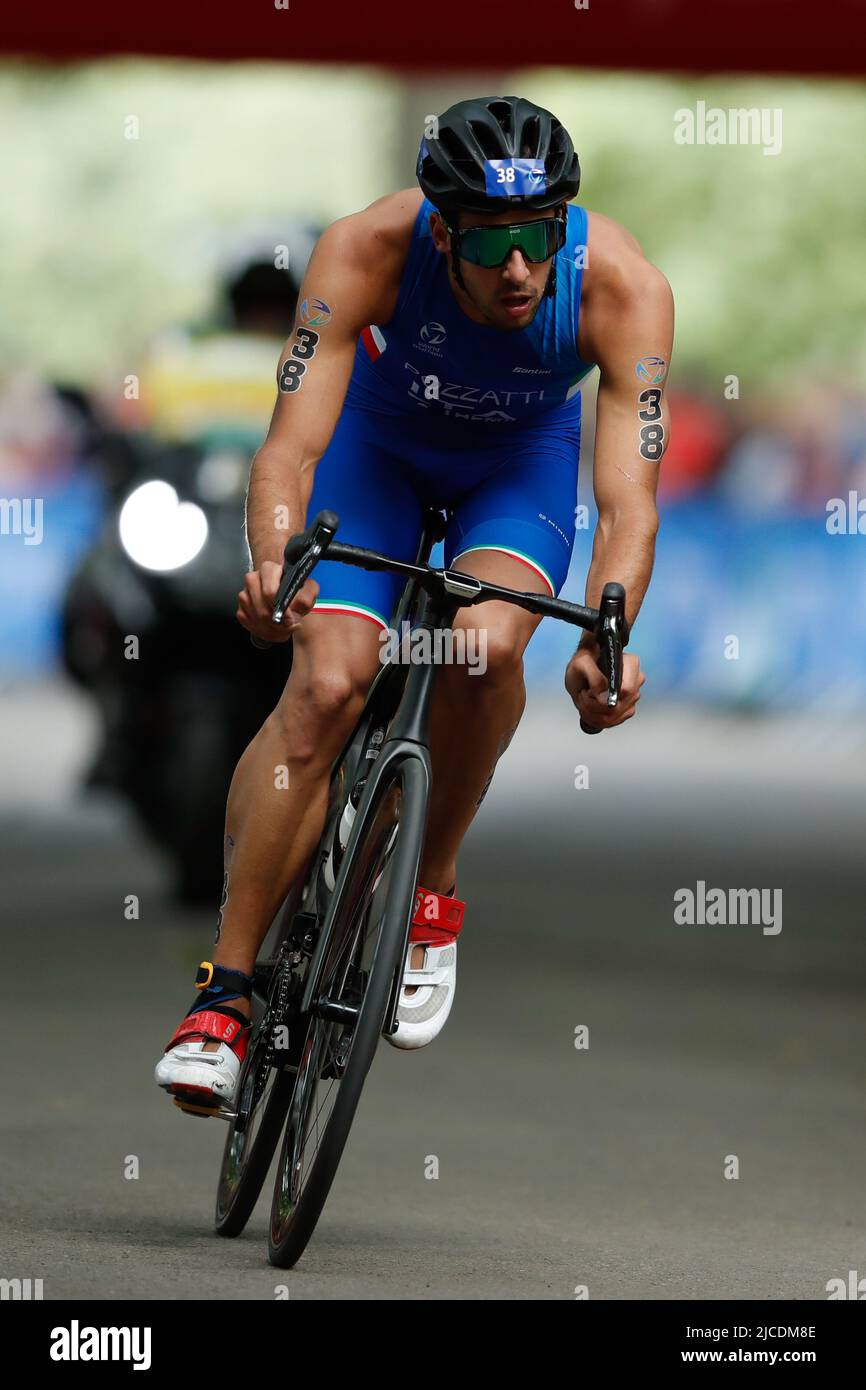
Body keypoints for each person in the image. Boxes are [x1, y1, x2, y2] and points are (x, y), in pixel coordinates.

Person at [156, 94, 674, 1113]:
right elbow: (290, 448)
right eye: (492, 244)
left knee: (484, 647)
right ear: (443, 231)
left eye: (539, 237)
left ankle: (428, 892)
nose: (520, 268)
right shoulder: (366, 249)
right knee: (326, 684)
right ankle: (223, 995)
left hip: (514, 472)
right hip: (374, 452)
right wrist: (273, 561)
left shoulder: (620, 285)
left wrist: (609, 628)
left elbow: (627, 501)